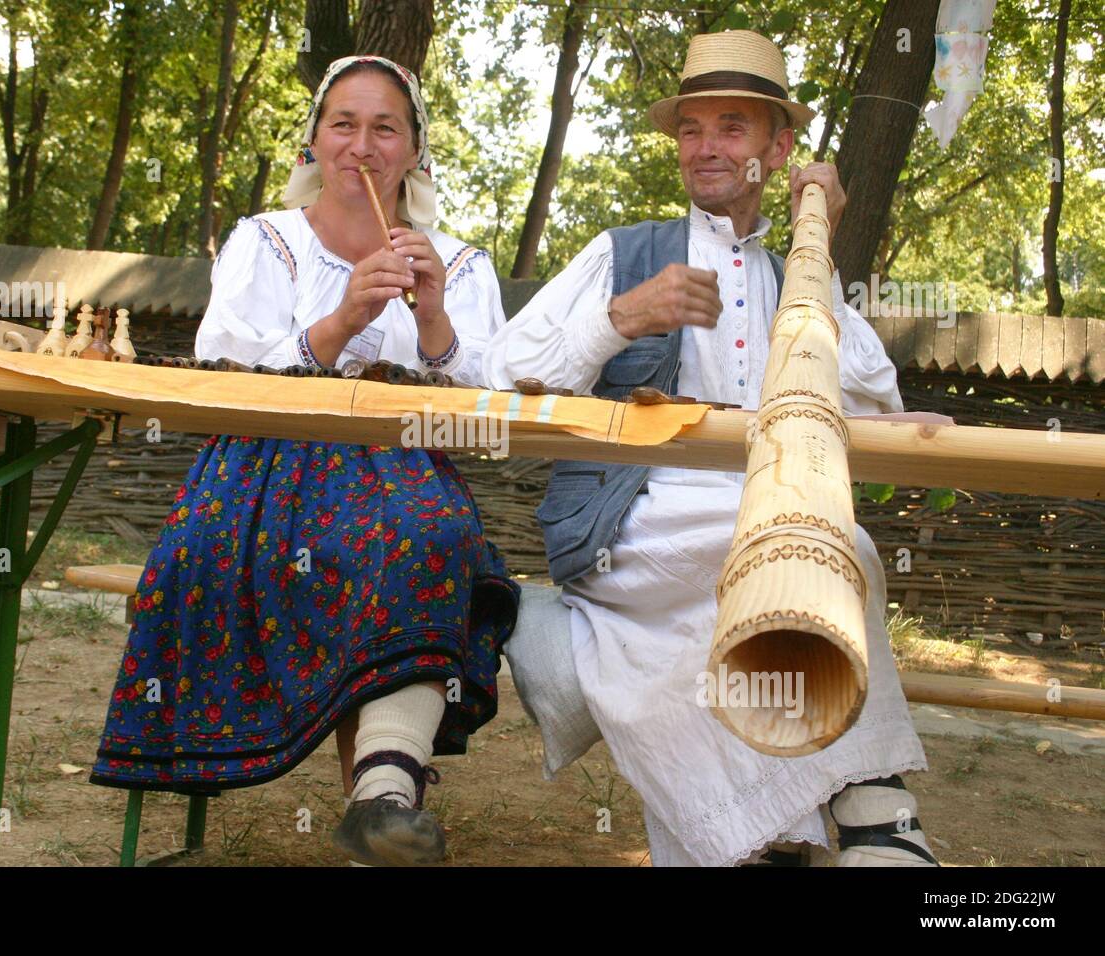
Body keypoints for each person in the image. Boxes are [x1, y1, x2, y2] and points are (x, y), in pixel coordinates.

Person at [486, 30, 938, 867]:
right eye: (691, 130)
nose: (706, 148)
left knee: (773, 587)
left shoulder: (795, 268)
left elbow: (874, 399)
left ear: (781, 145)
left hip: (751, 520)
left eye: (732, 127)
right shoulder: (626, 252)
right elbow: (499, 372)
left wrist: (819, 243)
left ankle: (771, 841)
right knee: (819, 555)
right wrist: (622, 317)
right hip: (633, 523)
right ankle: (877, 818)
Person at [91, 55, 519, 867]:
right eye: (344, 125)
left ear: (414, 152)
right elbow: (222, 372)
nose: (363, 145)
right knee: (210, 554)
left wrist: (433, 320)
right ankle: (382, 801)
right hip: (264, 461)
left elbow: (483, 405)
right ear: (314, 144)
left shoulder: (461, 265)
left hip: (401, 462)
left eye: (384, 127)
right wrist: (340, 319)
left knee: (429, 540)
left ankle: (382, 796)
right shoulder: (266, 242)